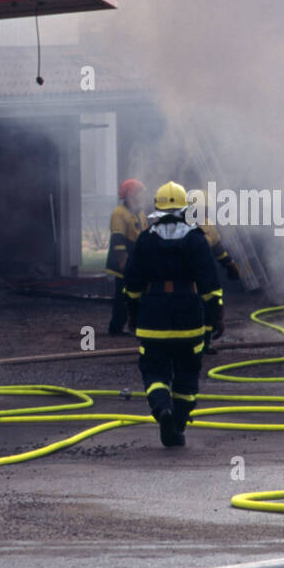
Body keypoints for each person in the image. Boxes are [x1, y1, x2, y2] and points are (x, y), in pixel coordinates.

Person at [123, 181, 224, 447]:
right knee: (187, 371)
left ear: (156, 207)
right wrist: (215, 317)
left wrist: (133, 316)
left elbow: (131, 285)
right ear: (184, 208)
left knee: (154, 369)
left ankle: (162, 409)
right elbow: (210, 284)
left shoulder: (145, 239)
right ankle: (178, 422)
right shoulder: (196, 239)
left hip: (153, 318)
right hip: (187, 318)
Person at [188, 188, 241, 354]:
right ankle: (190, 344)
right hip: (190, 276)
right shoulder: (185, 225)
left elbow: (217, 248)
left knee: (211, 307)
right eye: (202, 207)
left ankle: (205, 343)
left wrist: (229, 263)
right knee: (192, 310)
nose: (205, 210)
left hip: (207, 274)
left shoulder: (207, 224)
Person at [105, 178, 147, 335]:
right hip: (122, 263)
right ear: (129, 194)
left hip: (136, 263)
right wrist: (123, 262)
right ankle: (116, 327)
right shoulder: (119, 214)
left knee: (138, 295)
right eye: (138, 193)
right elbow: (118, 240)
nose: (141, 196)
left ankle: (135, 324)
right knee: (122, 297)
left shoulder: (140, 213)